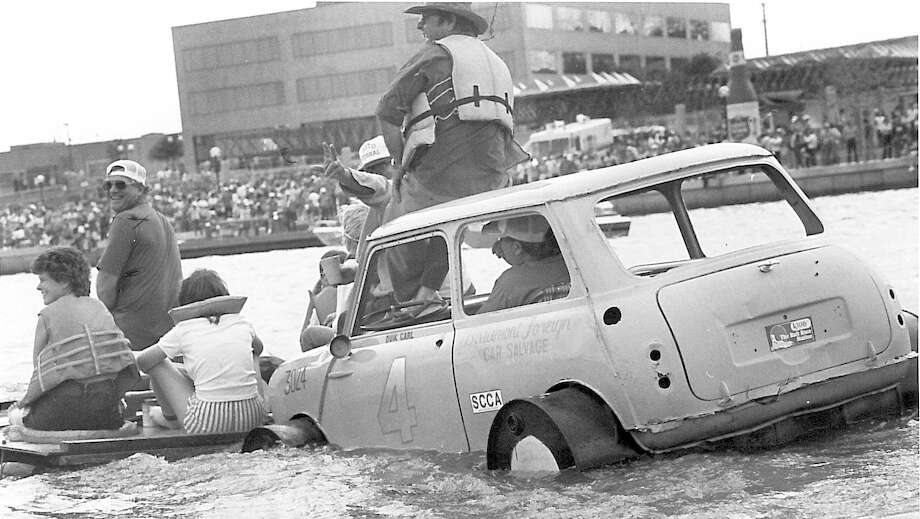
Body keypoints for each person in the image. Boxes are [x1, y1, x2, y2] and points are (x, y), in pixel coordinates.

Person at [375, 2, 528, 306]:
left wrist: (399, 167)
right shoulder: (497, 61)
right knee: (450, 227)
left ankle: (408, 303)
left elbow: (385, 111)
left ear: (447, 22)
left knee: (393, 221)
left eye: (426, 20)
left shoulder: (434, 54)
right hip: (493, 181)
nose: (421, 27)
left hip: (440, 177)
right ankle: (428, 292)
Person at [9, 246, 140, 431]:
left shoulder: (47, 316)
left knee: (16, 416)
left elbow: (39, 375)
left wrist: (23, 405)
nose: (38, 286)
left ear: (63, 281)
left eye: (43, 280)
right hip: (106, 411)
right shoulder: (100, 308)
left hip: (63, 410)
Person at [135, 269, 267, 433]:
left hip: (207, 423)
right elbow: (259, 349)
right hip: (254, 417)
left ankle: (172, 420)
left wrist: (181, 373)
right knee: (252, 352)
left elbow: (143, 361)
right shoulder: (241, 322)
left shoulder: (185, 328)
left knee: (157, 364)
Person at [96, 159, 183, 351]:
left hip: (133, 336)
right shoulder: (162, 220)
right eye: (107, 185)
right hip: (168, 334)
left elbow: (105, 287)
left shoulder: (126, 220)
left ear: (141, 189)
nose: (112, 190)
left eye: (120, 184)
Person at [477, 215, 570, 314]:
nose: (495, 247)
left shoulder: (511, 283)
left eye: (501, 240)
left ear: (517, 248)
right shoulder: (570, 267)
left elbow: (477, 324)